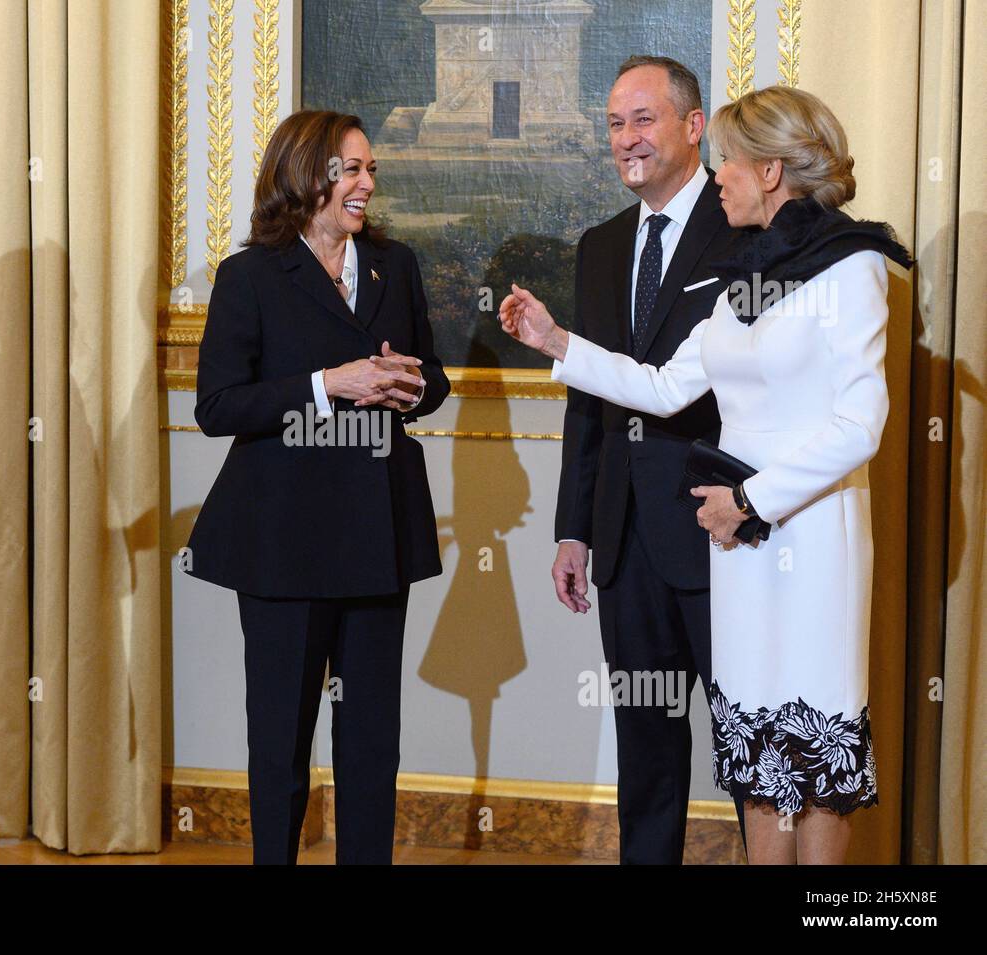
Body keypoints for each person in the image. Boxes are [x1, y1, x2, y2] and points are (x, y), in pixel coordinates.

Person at [500, 84, 911, 864]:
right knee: (754, 747)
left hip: (810, 536)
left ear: (772, 170)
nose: (718, 176)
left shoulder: (852, 266)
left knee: (815, 755)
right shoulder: (743, 279)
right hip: (740, 549)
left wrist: (750, 501)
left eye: (729, 160)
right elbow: (663, 387)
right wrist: (559, 342)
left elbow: (861, 423)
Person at [186, 109, 449, 864]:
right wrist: (328, 383)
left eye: (371, 170)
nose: (368, 184)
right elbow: (218, 406)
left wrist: (411, 387)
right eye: (353, 170)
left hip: (379, 533)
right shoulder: (250, 277)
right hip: (283, 542)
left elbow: (432, 380)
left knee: (372, 740)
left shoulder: (396, 265)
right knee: (280, 739)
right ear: (308, 176)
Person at [553, 55, 743, 863]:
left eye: (643, 119)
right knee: (647, 759)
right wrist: (573, 530)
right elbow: (589, 402)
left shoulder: (743, 231)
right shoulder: (598, 248)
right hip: (624, 545)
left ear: (692, 126)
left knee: (750, 753)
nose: (625, 139)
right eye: (614, 125)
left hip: (725, 537)